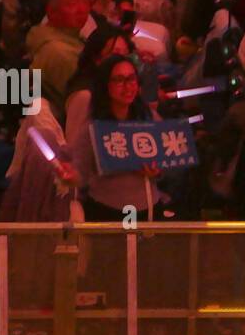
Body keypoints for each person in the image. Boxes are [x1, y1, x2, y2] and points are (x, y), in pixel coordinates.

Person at [69, 54, 170, 220]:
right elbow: (80, 171)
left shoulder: (149, 118)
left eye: (132, 79)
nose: (127, 86)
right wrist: (70, 177)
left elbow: (167, 163)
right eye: (119, 80)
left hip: (148, 209)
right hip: (105, 211)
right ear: (105, 85)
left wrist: (157, 171)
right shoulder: (93, 126)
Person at [26, 0, 91, 118]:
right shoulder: (57, 51)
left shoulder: (71, 37)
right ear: (52, 11)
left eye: (83, 2)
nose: (81, 9)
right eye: (72, 4)